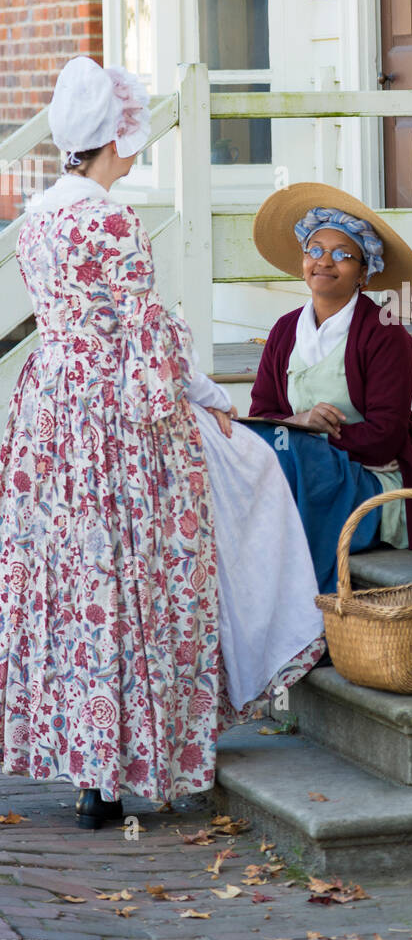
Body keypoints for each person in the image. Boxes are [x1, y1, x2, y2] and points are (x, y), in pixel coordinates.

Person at [0, 57, 324, 828]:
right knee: (133, 572)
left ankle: (89, 771)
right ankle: (129, 757)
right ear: (117, 138)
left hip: (54, 413)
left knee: (79, 580)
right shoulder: (109, 218)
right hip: (117, 415)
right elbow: (150, 338)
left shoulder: (39, 214)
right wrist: (216, 402)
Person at [246, 183, 412, 592]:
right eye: (315, 250)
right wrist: (300, 423)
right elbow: (263, 415)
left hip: (373, 482)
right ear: (302, 261)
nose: (325, 262)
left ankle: (306, 601)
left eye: (344, 255)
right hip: (303, 468)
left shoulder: (386, 335)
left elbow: (385, 437)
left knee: (293, 458)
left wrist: (311, 439)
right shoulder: (284, 330)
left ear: (364, 272)